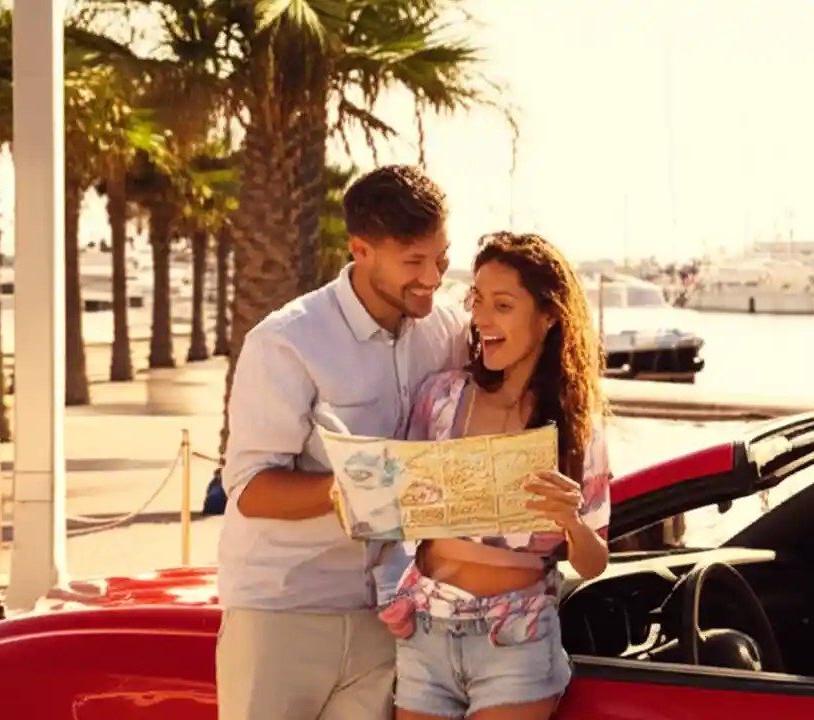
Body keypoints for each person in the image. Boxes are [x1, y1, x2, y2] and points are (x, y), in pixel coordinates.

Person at [215, 164, 468, 720]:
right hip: (282, 612)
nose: (433, 276)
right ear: (360, 250)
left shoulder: (446, 332)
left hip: (389, 615)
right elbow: (251, 490)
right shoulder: (286, 341)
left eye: (442, 258)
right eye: (414, 262)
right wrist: (367, 487)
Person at [380, 231, 613, 720]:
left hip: (516, 643)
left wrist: (571, 522)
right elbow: (393, 503)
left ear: (548, 317)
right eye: (478, 300)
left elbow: (593, 563)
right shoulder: (441, 399)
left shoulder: (575, 428)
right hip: (427, 632)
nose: (482, 319)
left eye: (502, 305)